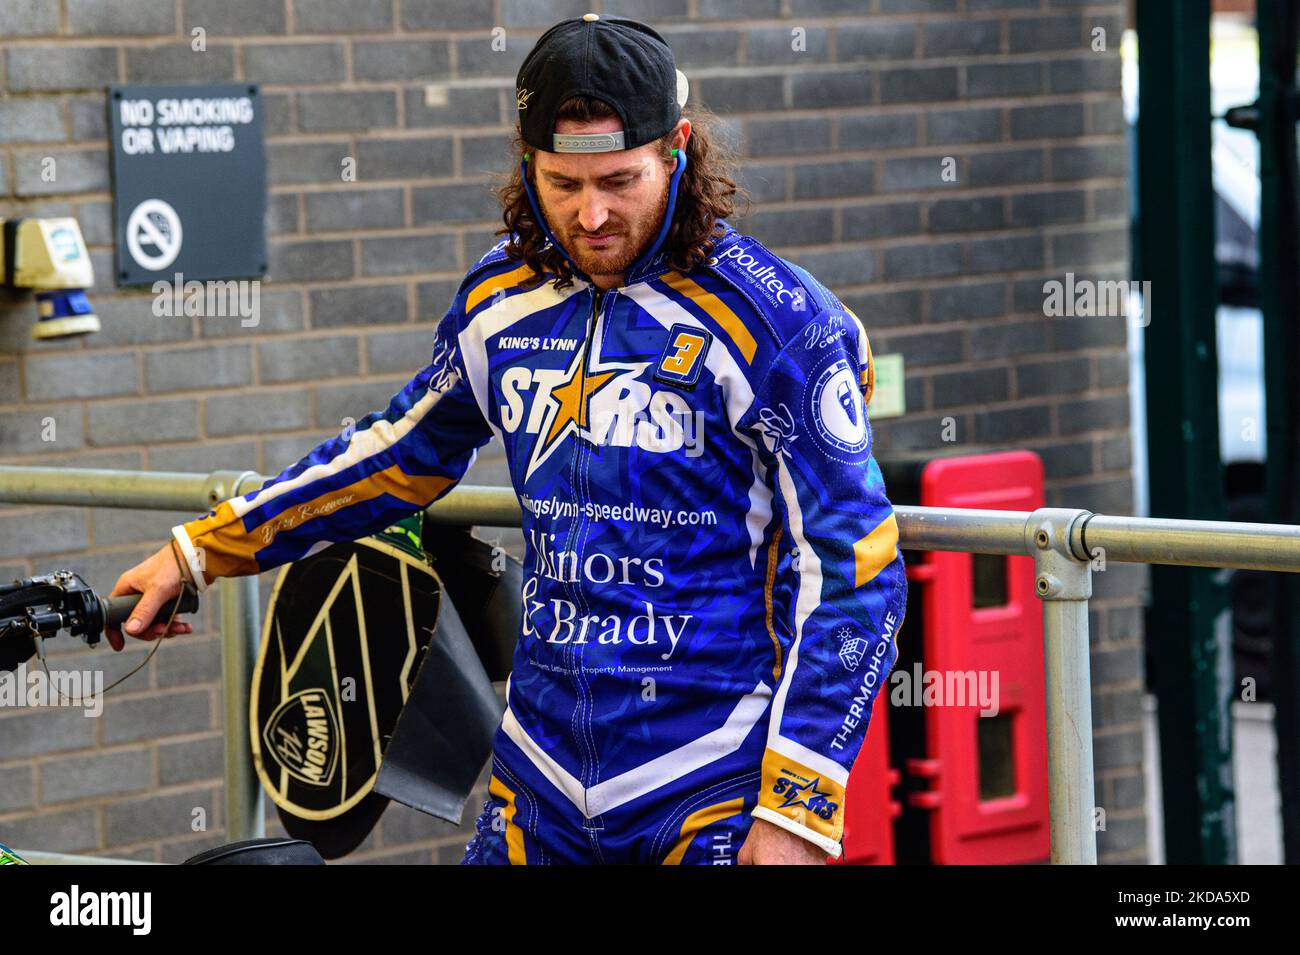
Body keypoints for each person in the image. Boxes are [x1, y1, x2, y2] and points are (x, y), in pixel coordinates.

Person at [110, 14, 907, 865]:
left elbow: (854, 567)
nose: (590, 213)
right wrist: (201, 551)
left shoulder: (778, 322)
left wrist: (798, 805)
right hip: (538, 782)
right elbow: (396, 453)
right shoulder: (500, 296)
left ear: (678, 149)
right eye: (561, 183)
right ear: (527, 160)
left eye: (619, 180)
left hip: (709, 782)